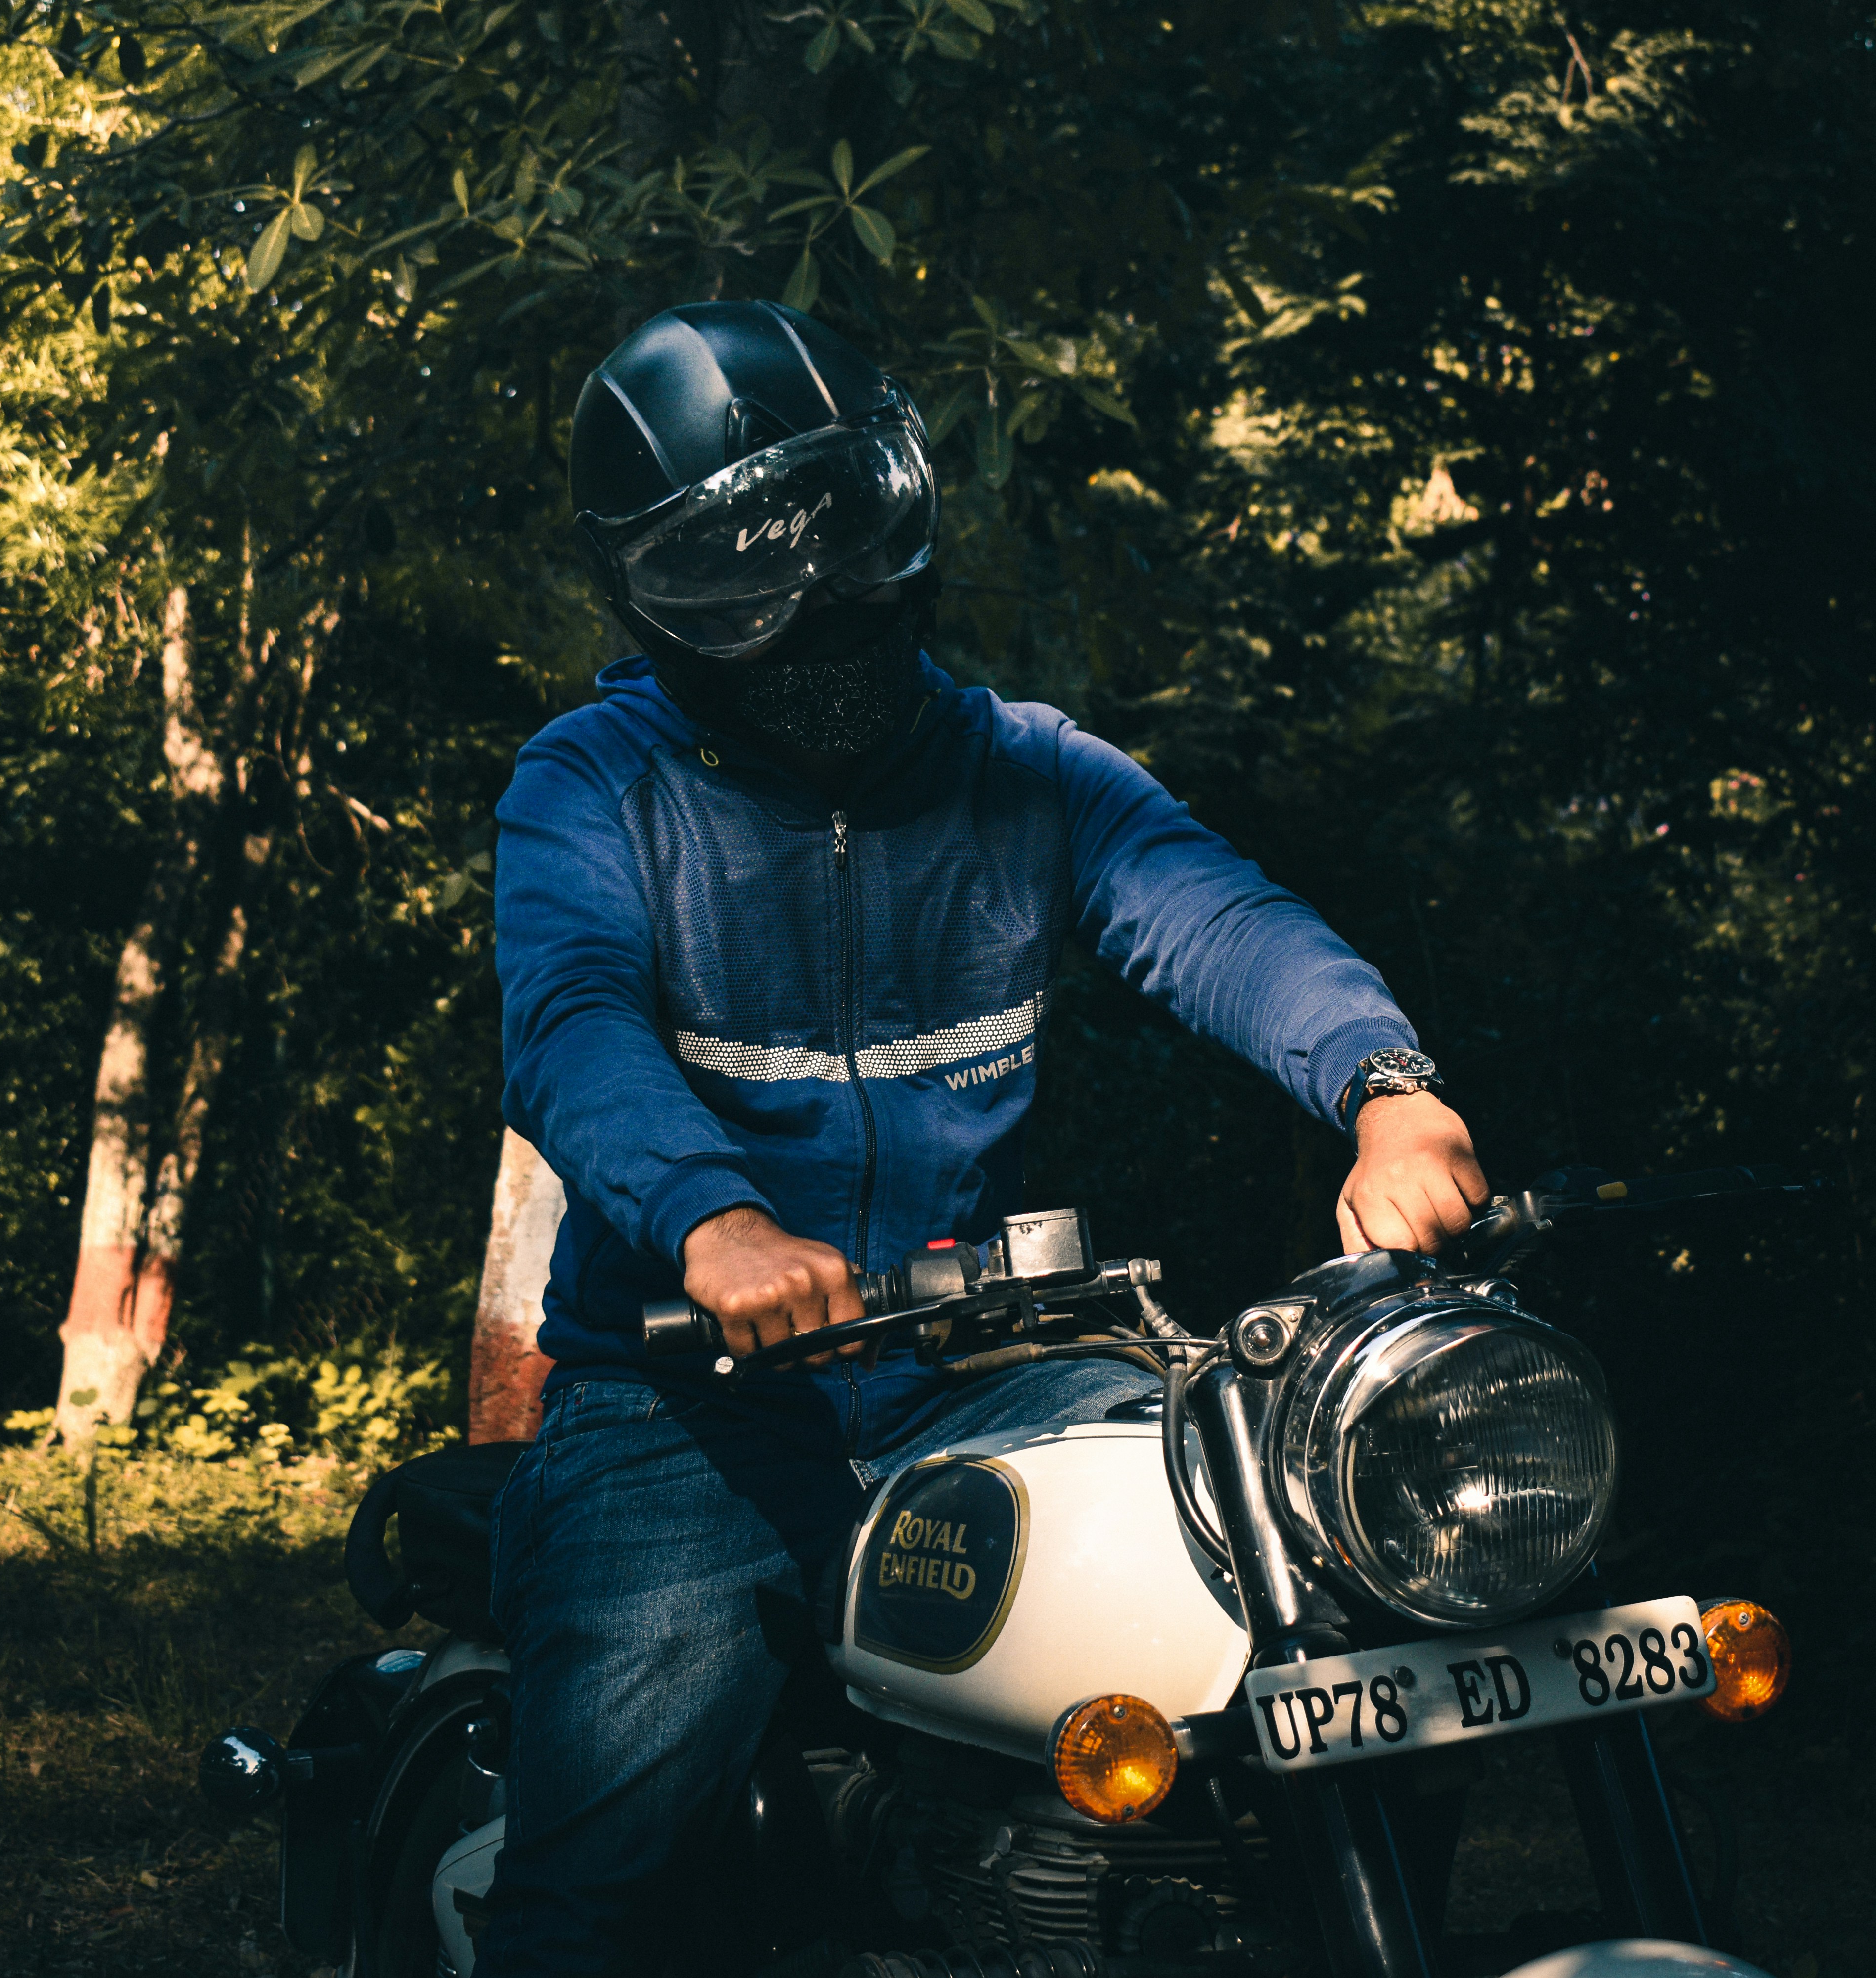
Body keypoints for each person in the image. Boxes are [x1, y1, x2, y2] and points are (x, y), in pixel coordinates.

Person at [484, 300, 1489, 1976]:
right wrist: (710, 1221)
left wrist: (1388, 1085)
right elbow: (570, 1017)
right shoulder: (594, 785)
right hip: (681, 1395)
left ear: (907, 507)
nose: (808, 611)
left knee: (1315, 1620)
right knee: (612, 1852)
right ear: (643, 594)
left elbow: (1214, 916)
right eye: (732, 580)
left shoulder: (1032, 774)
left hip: (978, 1364)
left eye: (838, 537)